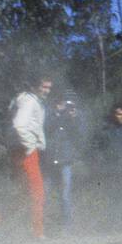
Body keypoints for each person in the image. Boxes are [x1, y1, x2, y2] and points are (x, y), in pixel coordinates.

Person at [8, 74, 51, 239]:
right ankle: (37, 232)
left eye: (48, 87)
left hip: (23, 150)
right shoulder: (30, 101)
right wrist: (30, 145)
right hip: (26, 151)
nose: (47, 91)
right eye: (44, 87)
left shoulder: (30, 100)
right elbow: (19, 125)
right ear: (34, 86)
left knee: (25, 193)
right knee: (37, 191)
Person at [90, 104, 122, 230]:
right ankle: (114, 223)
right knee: (114, 197)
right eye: (119, 114)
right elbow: (95, 148)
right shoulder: (105, 132)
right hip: (112, 170)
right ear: (113, 115)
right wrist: (100, 161)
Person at [44, 91, 84, 229]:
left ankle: (66, 228)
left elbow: (80, 135)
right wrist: (59, 114)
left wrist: (73, 118)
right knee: (44, 193)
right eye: (61, 103)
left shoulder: (75, 117)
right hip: (49, 160)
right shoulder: (50, 114)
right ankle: (41, 227)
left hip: (65, 161)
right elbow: (46, 128)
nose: (64, 106)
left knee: (65, 195)